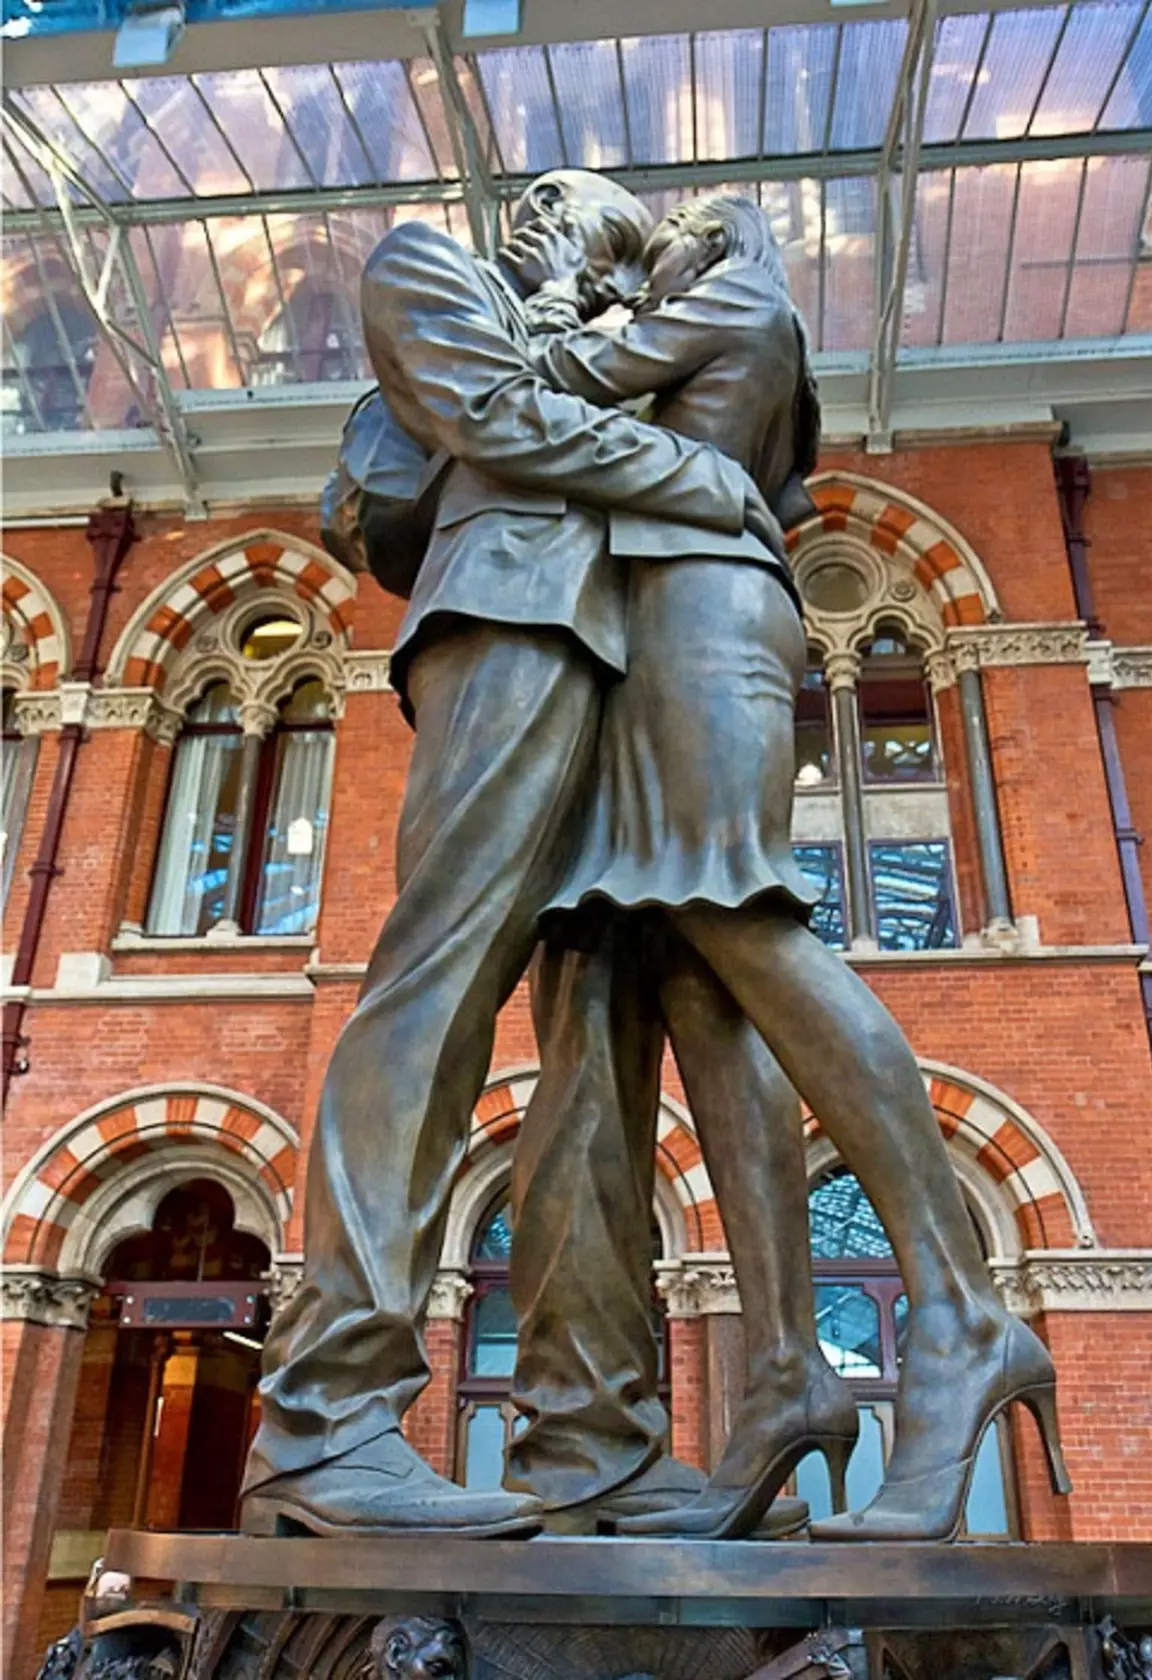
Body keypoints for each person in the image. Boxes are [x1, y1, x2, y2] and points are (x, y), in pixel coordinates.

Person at [239, 170, 801, 1540]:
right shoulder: (432, 268)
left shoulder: (627, 341)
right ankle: (326, 1421)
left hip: (627, 673)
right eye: (544, 196)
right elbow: (487, 420)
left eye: (585, 211)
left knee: (603, 1052)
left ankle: (589, 1440)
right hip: (507, 627)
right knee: (433, 988)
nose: (543, 211)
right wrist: (704, 481)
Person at [512, 195, 1070, 1542]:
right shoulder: (704, 329)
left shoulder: (737, 303)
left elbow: (545, 389)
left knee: (739, 916)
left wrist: (558, 285)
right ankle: (779, 1371)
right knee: (702, 976)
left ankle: (957, 1313)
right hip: (661, 623)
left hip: (705, 613)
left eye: (690, 223)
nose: (668, 241)